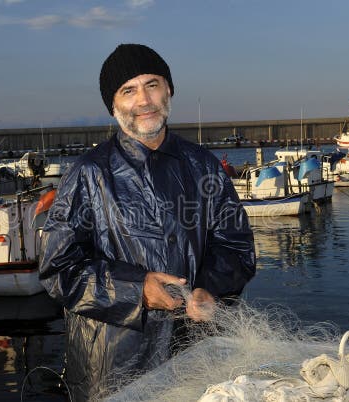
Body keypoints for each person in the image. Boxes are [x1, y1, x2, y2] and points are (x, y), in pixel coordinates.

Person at [38, 43, 256, 401]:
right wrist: (136, 290)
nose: (144, 100)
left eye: (152, 84)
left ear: (169, 90)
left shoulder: (204, 166)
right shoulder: (88, 174)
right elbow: (58, 270)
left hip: (195, 355)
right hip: (110, 365)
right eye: (128, 90)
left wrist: (210, 286)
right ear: (113, 106)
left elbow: (236, 246)